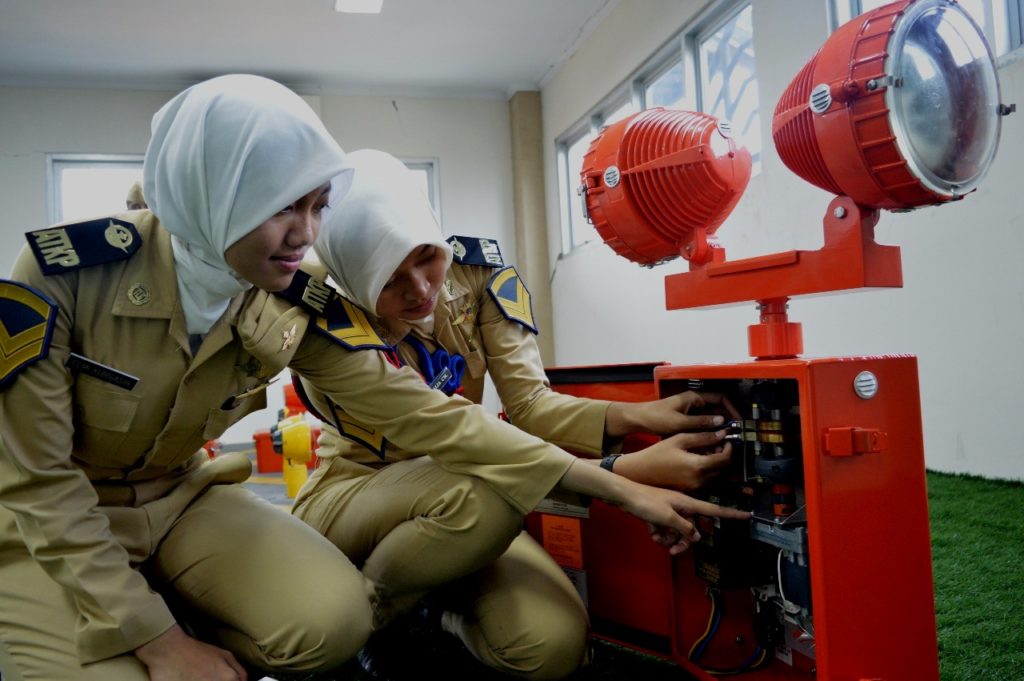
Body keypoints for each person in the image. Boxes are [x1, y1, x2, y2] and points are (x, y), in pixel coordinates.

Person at [0, 78, 745, 681]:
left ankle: (240, 619)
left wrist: (618, 478)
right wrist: (160, 639)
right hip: (51, 519)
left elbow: (436, 418)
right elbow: (38, 482)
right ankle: (177, 621)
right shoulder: (70, 273)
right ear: (212, 189)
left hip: (184, 495)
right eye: (279, 205)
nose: (304, 233)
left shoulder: (290, 291)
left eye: (317, 206)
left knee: (341, 622)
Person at [292, 149, 743, 680]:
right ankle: (363, 614)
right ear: (354, 275)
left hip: (465, 503)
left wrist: (642, 414)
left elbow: (530, 405)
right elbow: (460, 438)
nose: (420, 289)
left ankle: (433, 596)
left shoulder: (477, 275)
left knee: (552, 647)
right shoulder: (322, 314)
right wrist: (627, 477)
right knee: (479, 490)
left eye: (425, 257)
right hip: (359, 494)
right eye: (389, 281)